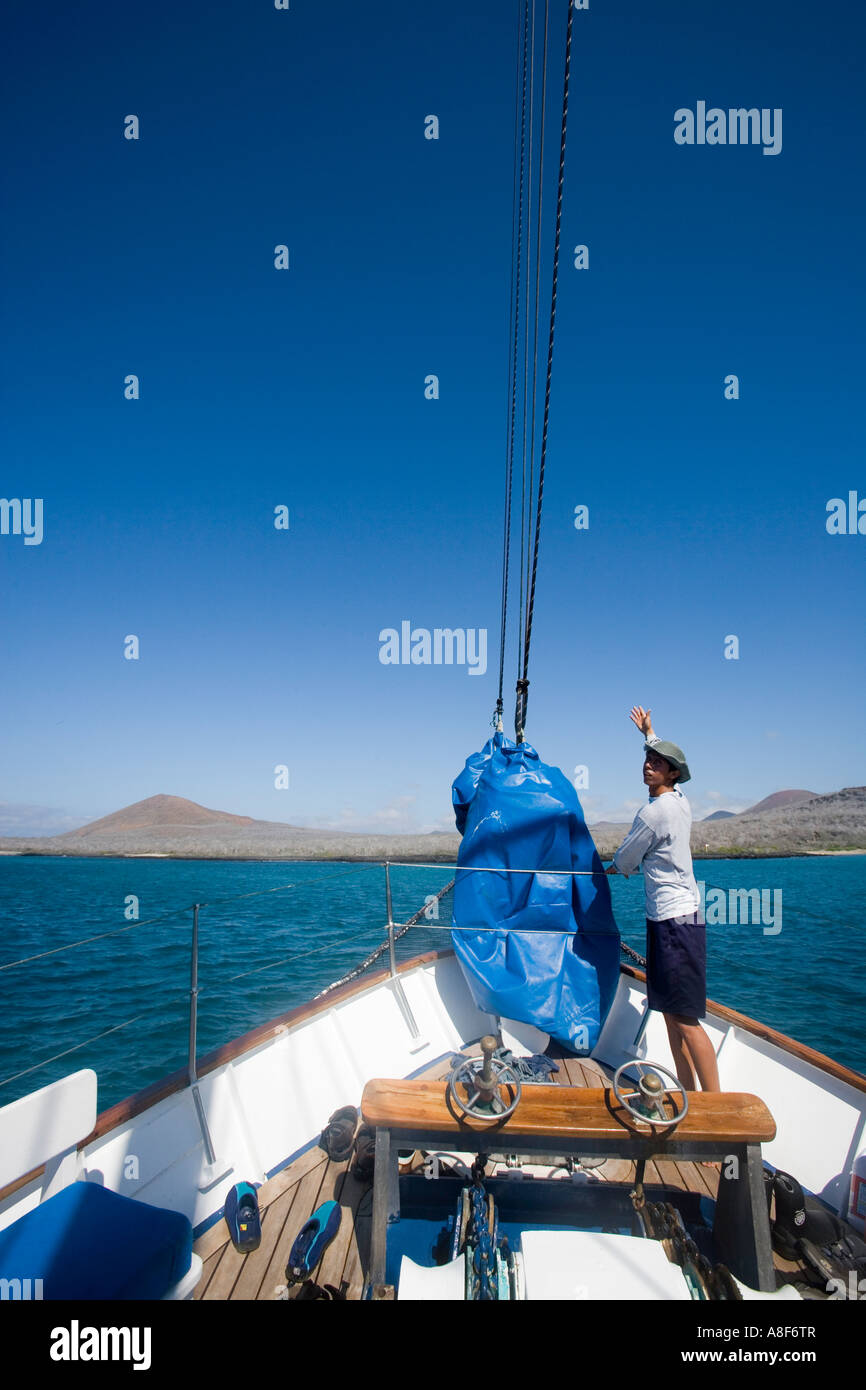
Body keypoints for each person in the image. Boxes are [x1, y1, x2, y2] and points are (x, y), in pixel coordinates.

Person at [606, 705, 720, 1092]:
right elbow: (667, 760)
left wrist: (611, 869)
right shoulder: (680, 800)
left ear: (671, 774)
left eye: (658, 763)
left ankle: (714, 1113)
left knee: (686, 1020)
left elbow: (625, 859)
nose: (649, 765)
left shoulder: (654, 814)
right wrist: (649, 734)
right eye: (648, 760)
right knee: (671, 1017)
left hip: (675, 925)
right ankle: (690, 1098)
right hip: (671, 921)